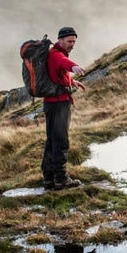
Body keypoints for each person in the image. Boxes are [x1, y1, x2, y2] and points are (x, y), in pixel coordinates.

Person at [42, 26, 87, 190]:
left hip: (52, 103)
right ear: (60, 40)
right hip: (59, 104)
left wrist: (72, 81)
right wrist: (74, 66)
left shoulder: (55, 53)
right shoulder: (56, 54)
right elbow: (63, 62)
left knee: (52, 140)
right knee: (60, 141)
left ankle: (49, 179)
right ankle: (61, 179)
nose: (72, 44)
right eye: (69, 41)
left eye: (74, 41)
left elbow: (57, 72)